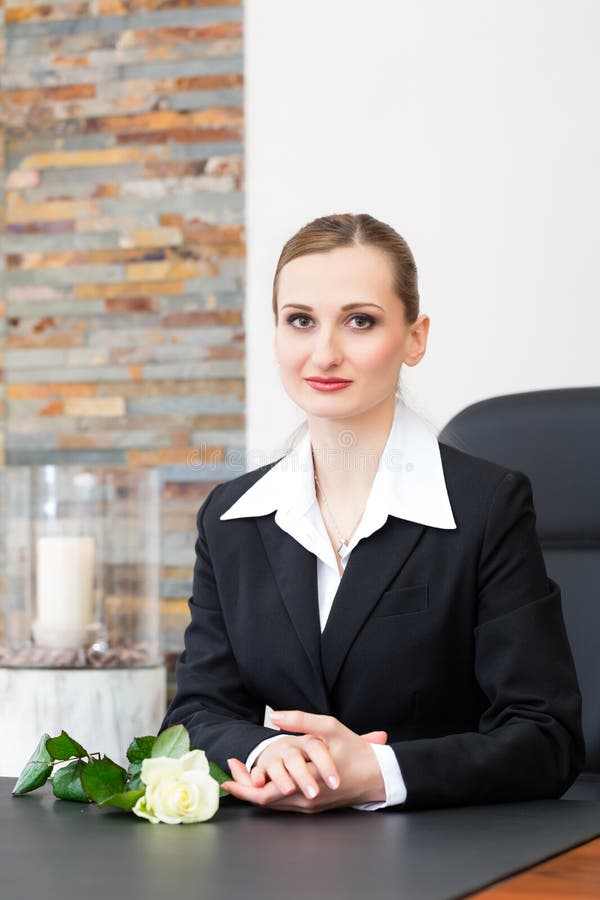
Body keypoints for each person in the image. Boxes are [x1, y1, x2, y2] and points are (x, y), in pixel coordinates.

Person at [160, 213, 584, 813]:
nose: (324, 353)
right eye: (300, 321)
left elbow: (545, 737)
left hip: (446, 856)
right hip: (275, 862)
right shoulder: (230, 517)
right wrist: (263, 751)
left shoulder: (487, 506)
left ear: (415, 338)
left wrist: (378, 773)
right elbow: (196, 714)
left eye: (360, 321)